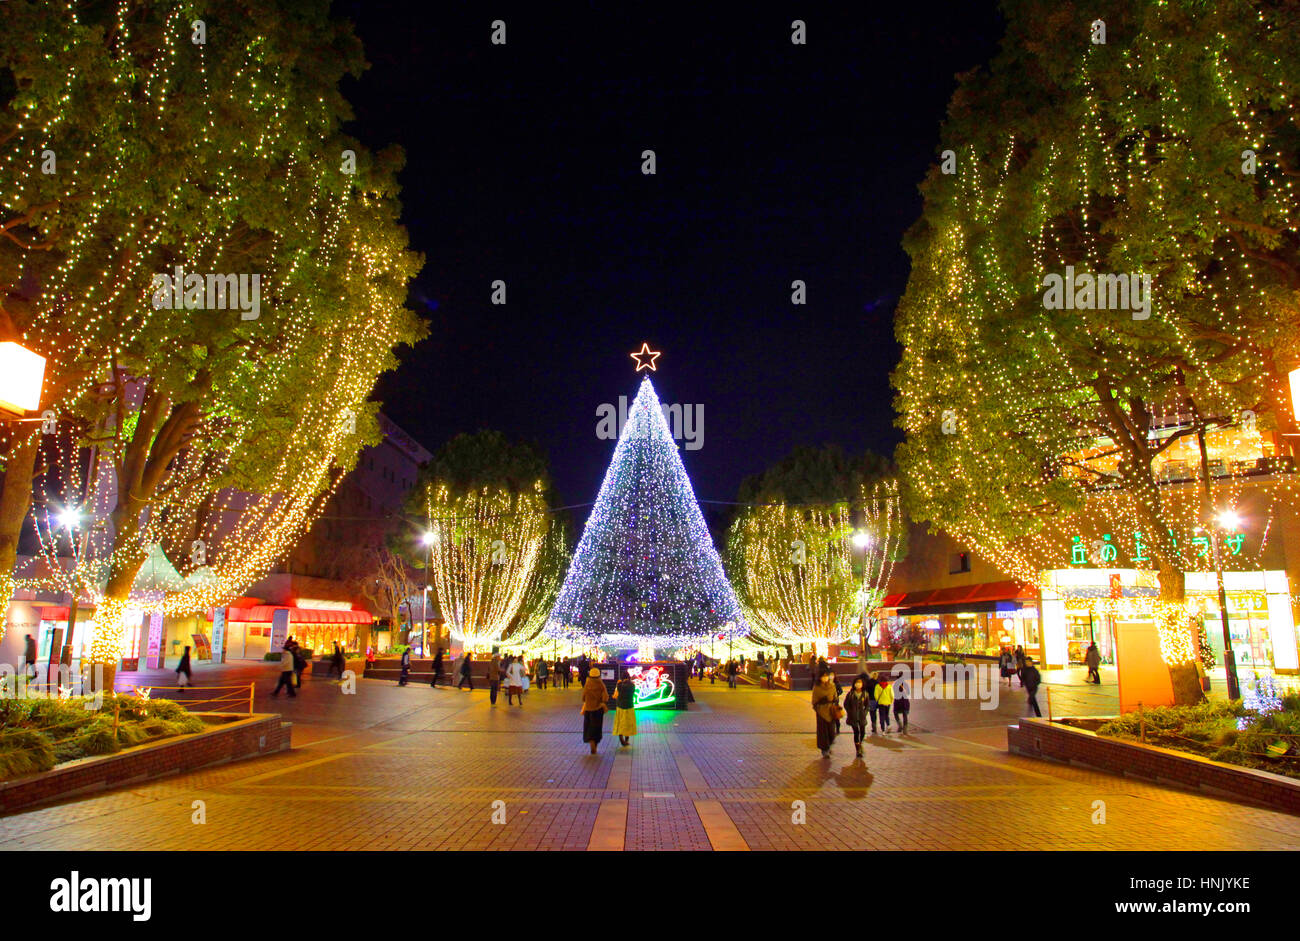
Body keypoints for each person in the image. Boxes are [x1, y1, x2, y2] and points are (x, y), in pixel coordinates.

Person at [581, 667, 609, 754]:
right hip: (598, 709)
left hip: (588, 709)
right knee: (597, 727)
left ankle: (591, 741)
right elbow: (605, 697)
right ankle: (595, 744)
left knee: (589, 726)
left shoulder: (587, 684)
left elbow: (583, 698)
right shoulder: (601, 684)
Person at [843, 674, 872, 757]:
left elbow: (867, 705)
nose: (858, 684)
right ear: (854, 684)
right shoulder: (851, 694)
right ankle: (858, 749)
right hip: (853, 717)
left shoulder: (865, 694)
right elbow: (846, 704)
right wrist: (850, 711)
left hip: (862, 716)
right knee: (856, 732)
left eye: (860, 682)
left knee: (862, 732)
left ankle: (860, 743)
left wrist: (865, 712)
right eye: (857, 682)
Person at [812, 669, 839, 758]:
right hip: (821, 712)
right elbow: (814, 702)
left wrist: (834, 701)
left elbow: (836, 697)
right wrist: (823, 701)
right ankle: (825, 749)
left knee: (831, 731)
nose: (825, 678)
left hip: (831, 711)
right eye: (823, 676)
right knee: (823, 732)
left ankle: (829, 745)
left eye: (826, 676)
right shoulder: (817, 688)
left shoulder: (832, 686)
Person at [612, 672, 637, 747]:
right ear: (629, 677)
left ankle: (621, 738)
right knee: (628, 723)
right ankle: (626, 739)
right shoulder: (632, 685)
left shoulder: (619, 685)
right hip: (629, 706)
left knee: (620, 722)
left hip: (620, 706)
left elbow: (615, 695)